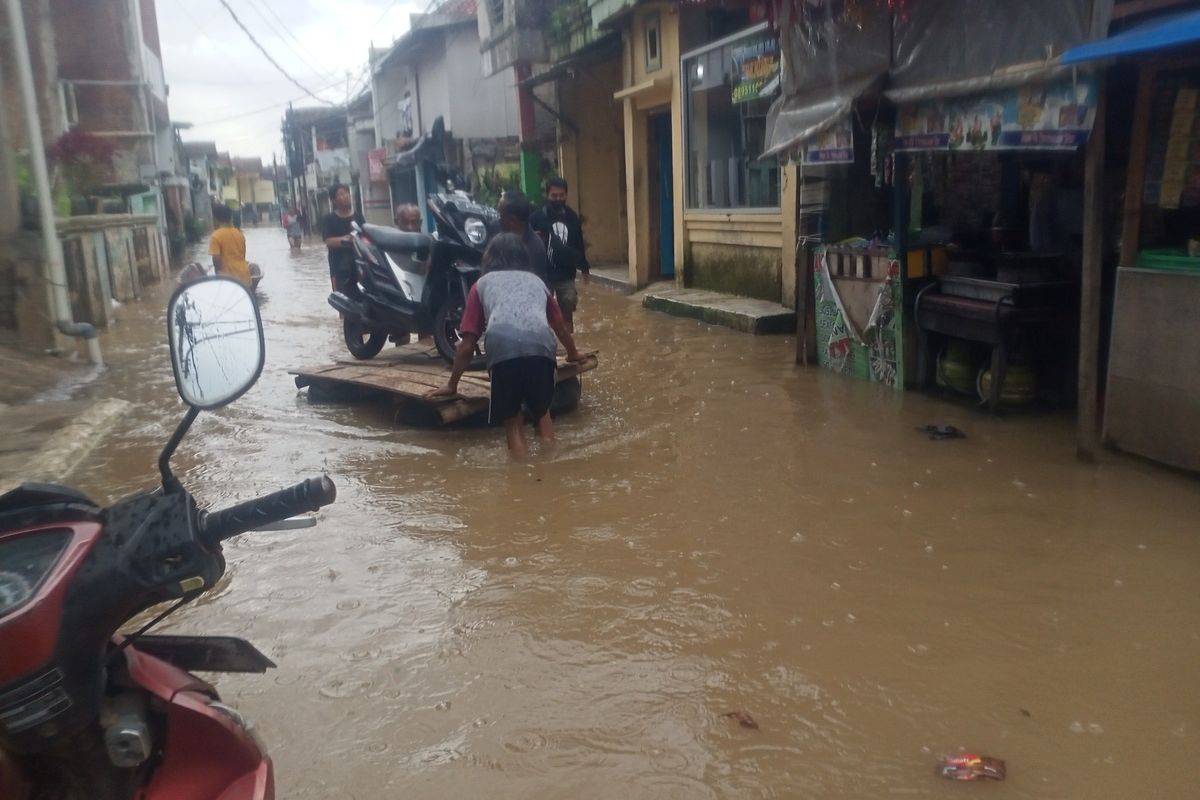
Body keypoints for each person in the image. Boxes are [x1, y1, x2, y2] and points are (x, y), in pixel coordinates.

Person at [429, 233, 582, 458]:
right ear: (523, 257)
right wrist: (573, 354)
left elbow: (467, 345)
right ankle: (549, 468)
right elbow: (560, 328)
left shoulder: (481, 285)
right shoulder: (537, 282)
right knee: (543, 414)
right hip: (541, 348)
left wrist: (452, 384)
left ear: (489, 258)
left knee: (512, 422)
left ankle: (520, 473)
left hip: (503, 350)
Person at [530, 176, 589, 331]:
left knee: (567, 312)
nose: (558, 199)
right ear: (547, 195)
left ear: (566, 195)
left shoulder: (572, 217)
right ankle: (548, 342)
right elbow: (527, 243)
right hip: (544, 274)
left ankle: (570, 342)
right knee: (542, 313)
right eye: (554, 195)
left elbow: (579, 242)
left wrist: (584, 268)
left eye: (561, 195)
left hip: (566, 274)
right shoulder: (537, 217)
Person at [322, 184, 365, 295]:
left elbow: (365, 238)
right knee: (341, 298)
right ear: (333, 200)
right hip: (338, 267)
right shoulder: (328, 220)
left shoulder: (359, 217)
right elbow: (329, 242)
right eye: (340, 194)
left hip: (358, 264)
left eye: (346, 193)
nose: (345, 196)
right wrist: (348, 239)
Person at [497, 190, 549, 283]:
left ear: (512, 220)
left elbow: (537, 285)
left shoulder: (535, 248)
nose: (498, 219)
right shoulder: (496, 238)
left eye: (500, 214)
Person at [209, 203, 252, 288]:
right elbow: (243, 255)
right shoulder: (239, 234)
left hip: (229, 280)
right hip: (245, 277)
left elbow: (216, 259)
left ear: (216, 218)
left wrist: (217, 274)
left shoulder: (215, 236)